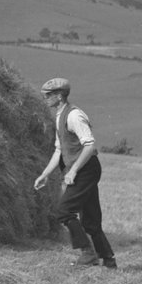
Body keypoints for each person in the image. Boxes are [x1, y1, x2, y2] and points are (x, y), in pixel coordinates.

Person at [33, 77, 118, 269]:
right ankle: (109, 260)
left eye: (48, 95)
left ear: (60, 96)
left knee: (64, 211)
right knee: (91, 220)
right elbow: (59, 150)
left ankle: (88, 254)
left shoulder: (74, 116)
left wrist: (73, 171)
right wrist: (45, 174)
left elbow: (89, 145)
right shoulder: (59, 116)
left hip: (86, 169)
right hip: (81, 169)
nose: (45, 98)